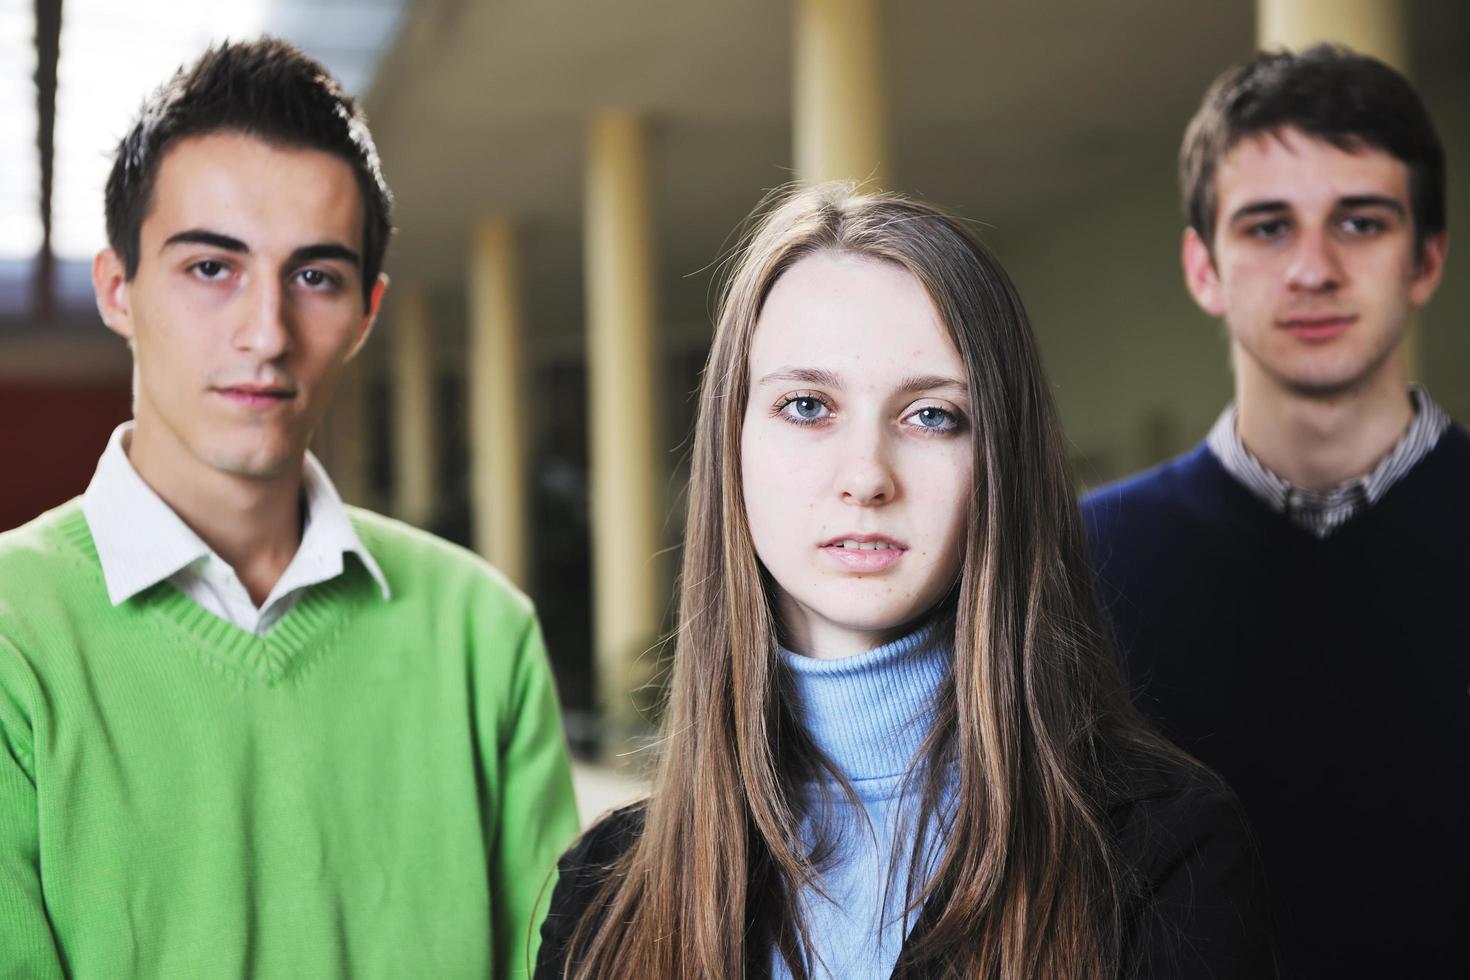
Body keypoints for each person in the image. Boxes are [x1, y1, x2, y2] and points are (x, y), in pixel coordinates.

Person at [536, 183, 1273, 980]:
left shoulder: (1164, 854)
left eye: (931, 416)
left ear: (1000, 462)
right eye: (808, 405)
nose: (866, 476)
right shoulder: (605, 898)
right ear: (732, 447)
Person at [0, 38, 578, 978]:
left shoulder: (482, 632)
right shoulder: (13, 632)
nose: (266, 333)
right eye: (210, 268)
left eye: (314, 276)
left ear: (364, 313)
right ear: (117, 290)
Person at [1082, 45, 1466, 978]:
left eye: (1361, 222)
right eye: (1266, 227)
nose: (1313, 268)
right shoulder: (1082, 561)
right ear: (1203, 267)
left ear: (1425, 260)